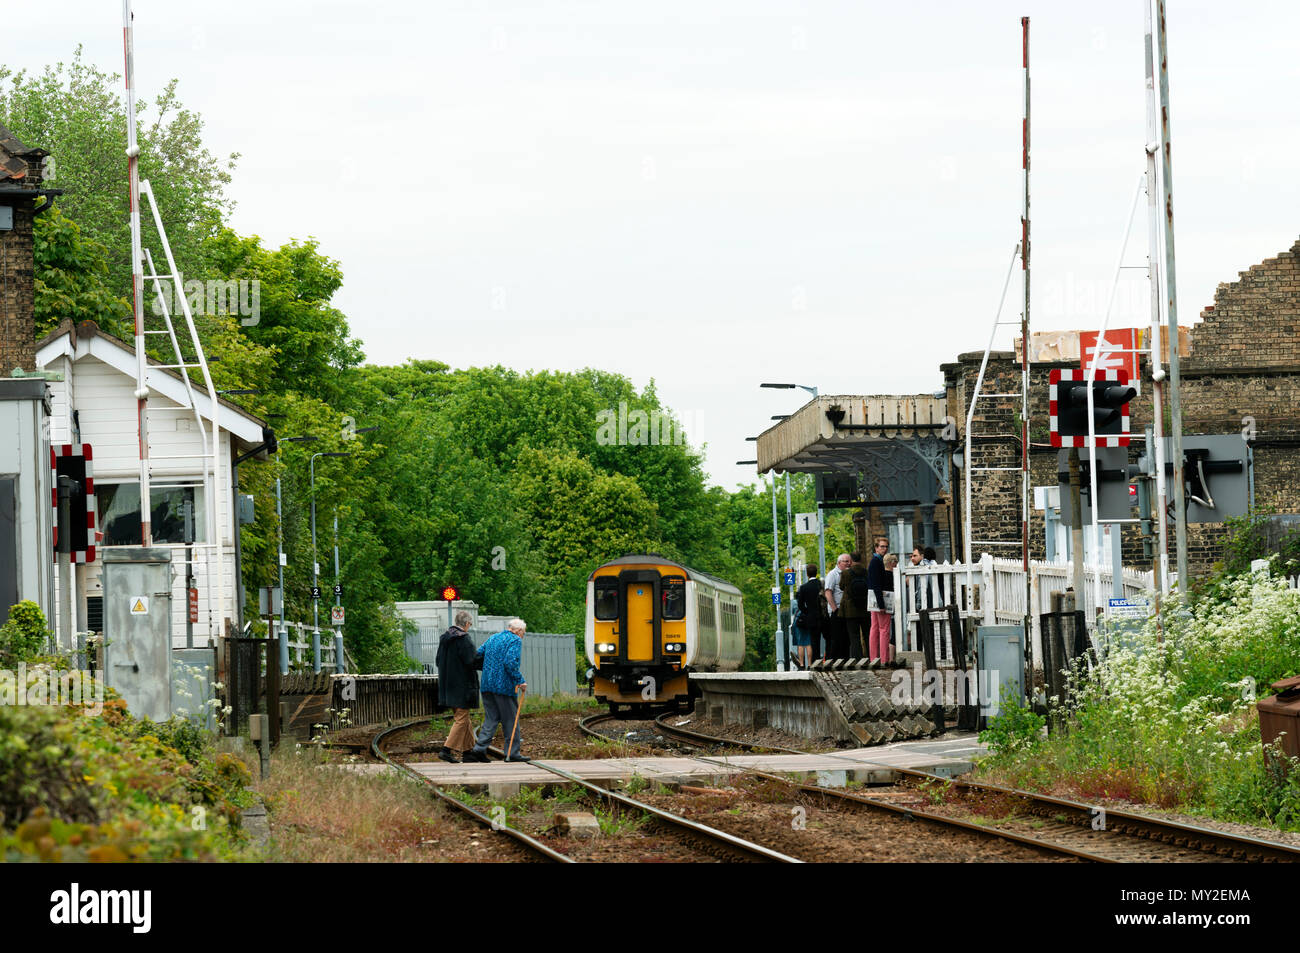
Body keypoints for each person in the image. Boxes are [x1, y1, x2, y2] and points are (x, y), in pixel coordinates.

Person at [463, 618, 529, 763]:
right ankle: (513, 753)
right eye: (523, 633)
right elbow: (510, 662)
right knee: (511, 719)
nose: (523, 635)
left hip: (487, 685)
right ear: (518, 631)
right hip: (504, 686)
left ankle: (479, 749)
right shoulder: (515, 640)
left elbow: (477, 655)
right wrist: (520, 681)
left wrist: (488, 668)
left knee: (491, 718)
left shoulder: (493, 638)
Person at [435, 610, 479, 763]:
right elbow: (471, 661)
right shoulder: (464, 639)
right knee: (461, 718)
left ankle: (468, 752)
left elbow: (438, 660)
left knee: (464, 718)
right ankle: (446, 750)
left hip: (447, 685)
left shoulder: (445, 638)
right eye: (470, 624)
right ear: (466, 624)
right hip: (462, 686)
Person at [840, 552, 871, 659]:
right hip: (865, 608)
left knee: (854, 636)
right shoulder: (866, 572)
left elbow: (841, 586)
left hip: (851, 610)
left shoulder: (846, 573)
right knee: (867, 634)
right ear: (861, 560)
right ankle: (871, 657)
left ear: (851, 561)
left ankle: (858, 658)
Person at [867, 536, 892, 663]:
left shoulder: (874, 561)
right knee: (884, 630)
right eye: (882, 546)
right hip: (879, 599)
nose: (884, 549)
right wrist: (881, 604)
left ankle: (874, 657)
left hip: (873, 600)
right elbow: (877, 585)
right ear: (876, 548)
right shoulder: (877, 562)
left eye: (886, 546)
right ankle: (883, 659)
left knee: (875, 628)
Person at [793, 564, 823, 667]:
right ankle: (821, 660)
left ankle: (814, 662)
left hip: (811, 617)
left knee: (813, 641)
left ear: (807, 574)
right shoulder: (820, 584)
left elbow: (800, 604)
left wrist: (807, 612)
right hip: (823, 616)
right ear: (816, 572)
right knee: (824, 638)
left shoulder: (804, 588)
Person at [823, 553, 851, 659]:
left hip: (847, 611)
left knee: (846, 638)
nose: (848, 563)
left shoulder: (848, 573)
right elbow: (828, 592)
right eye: (846, 561)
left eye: (849, 561)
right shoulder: (833, 575)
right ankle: (834, 660)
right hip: (837, 610)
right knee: (837, 637)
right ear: (839, 563)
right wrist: (835, 609)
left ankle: (845, 659)